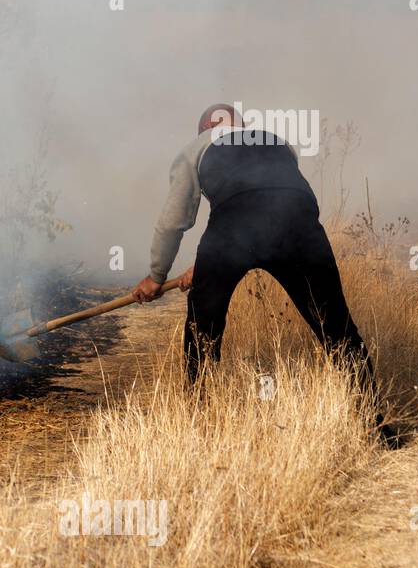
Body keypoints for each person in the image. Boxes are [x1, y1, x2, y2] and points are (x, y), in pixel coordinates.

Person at [131, 104, 383, 420]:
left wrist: (156, 275)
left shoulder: (196, 148)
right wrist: (208, 265)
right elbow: (269, 194)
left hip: (233, 223)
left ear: (205, 130)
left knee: (203, 328)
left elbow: (174, 220)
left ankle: (201, 421)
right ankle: (375, 421)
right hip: (298, 220)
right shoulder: (276, 140)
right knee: (335, 323)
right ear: (243, 124)